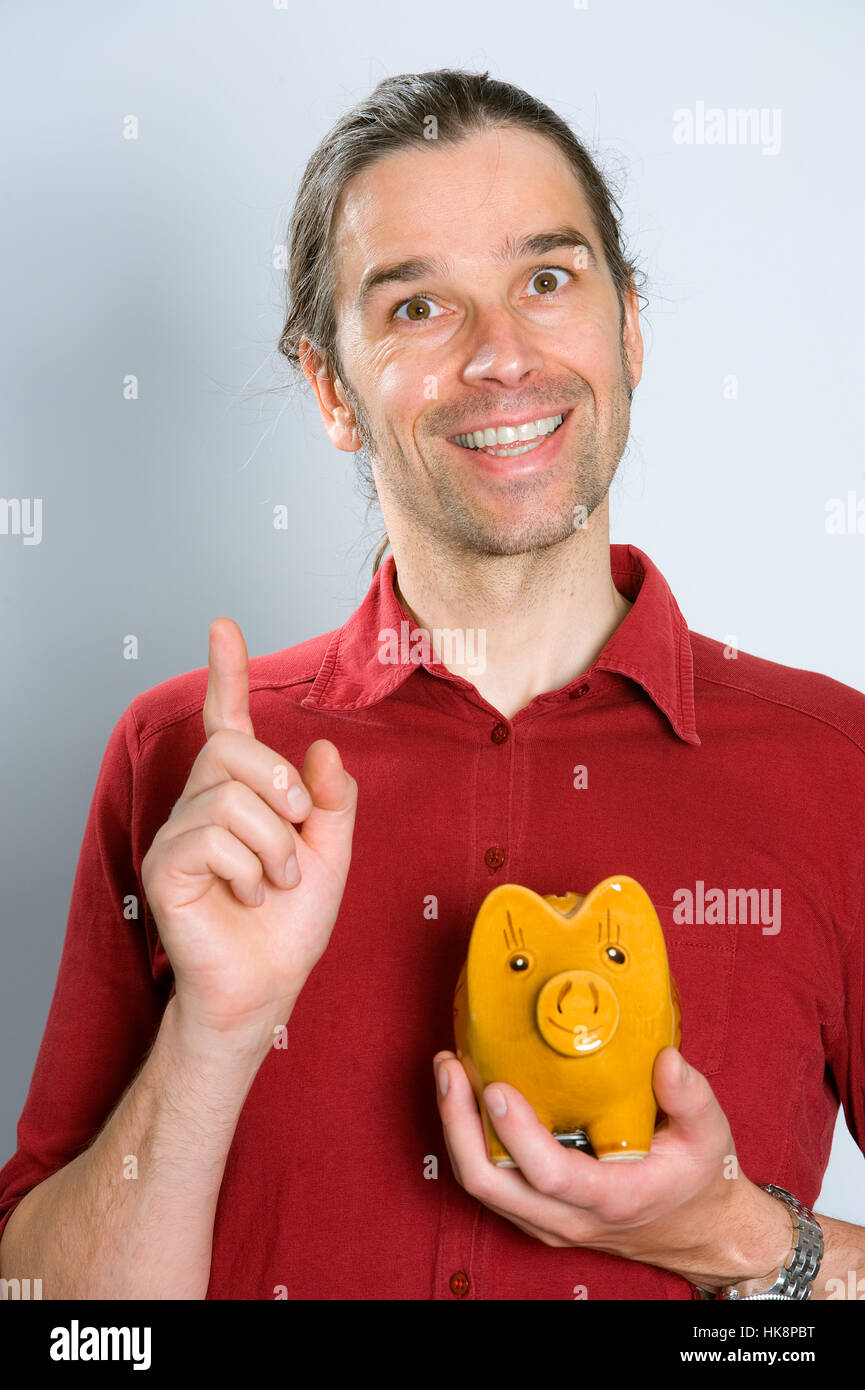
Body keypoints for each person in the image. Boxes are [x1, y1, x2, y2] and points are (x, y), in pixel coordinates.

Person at [1, 69, 863, 1302]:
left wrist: (730, 1237)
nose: (502, 356)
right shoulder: (184, 757)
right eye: (416, 308)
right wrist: (213, 1035)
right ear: (328, 388)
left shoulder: (839, 768)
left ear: (629, 329)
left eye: (546, 282)